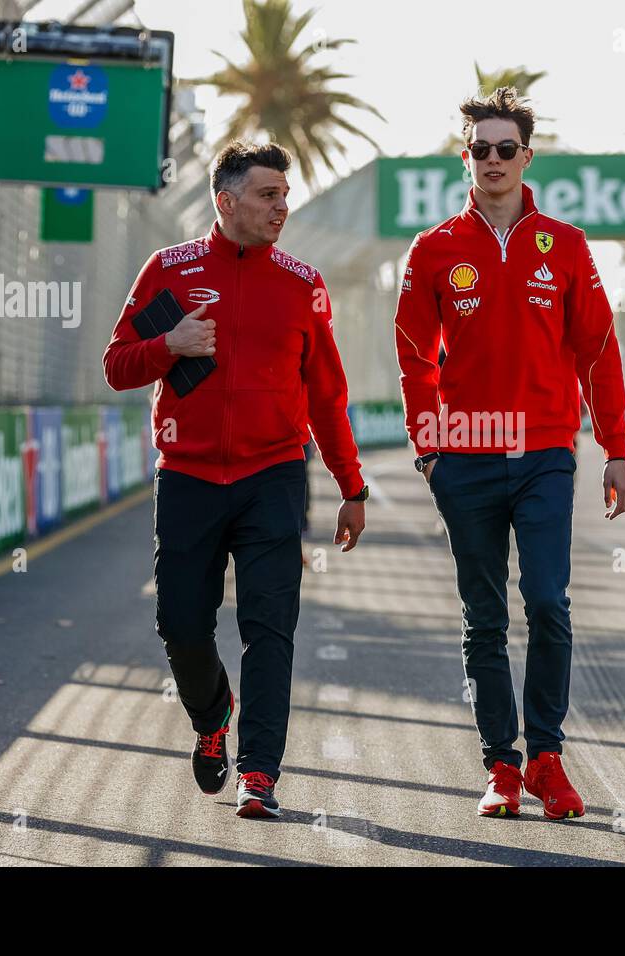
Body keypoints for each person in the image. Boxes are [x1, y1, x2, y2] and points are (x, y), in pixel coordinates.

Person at [103, 142, 368, 820]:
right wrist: (170, 346)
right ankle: (212, 713)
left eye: (285, 195)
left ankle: (259, 772)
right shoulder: (169, 268)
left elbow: (326, 396)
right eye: (268, 195)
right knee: (181, 625)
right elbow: (117, 365)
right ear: (226, 201)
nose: (283, 206)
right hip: (188, 477)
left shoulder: (302, 282)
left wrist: (351, 487)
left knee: (270, 626)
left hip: (273, 476)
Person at [394, 87, 625, 821]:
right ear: (464, 158)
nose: (491, 160)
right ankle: (501, 764)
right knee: (484, 616)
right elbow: (412, 356)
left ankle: (548, 759)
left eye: (505, 149)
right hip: (463, 459)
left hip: (543, 455)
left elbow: (597, 350)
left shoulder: (565, 244)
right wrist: (428, 448)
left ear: (527, 157)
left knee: (549, 603)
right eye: (479, 148)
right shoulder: (433, 249)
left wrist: (615, 447)